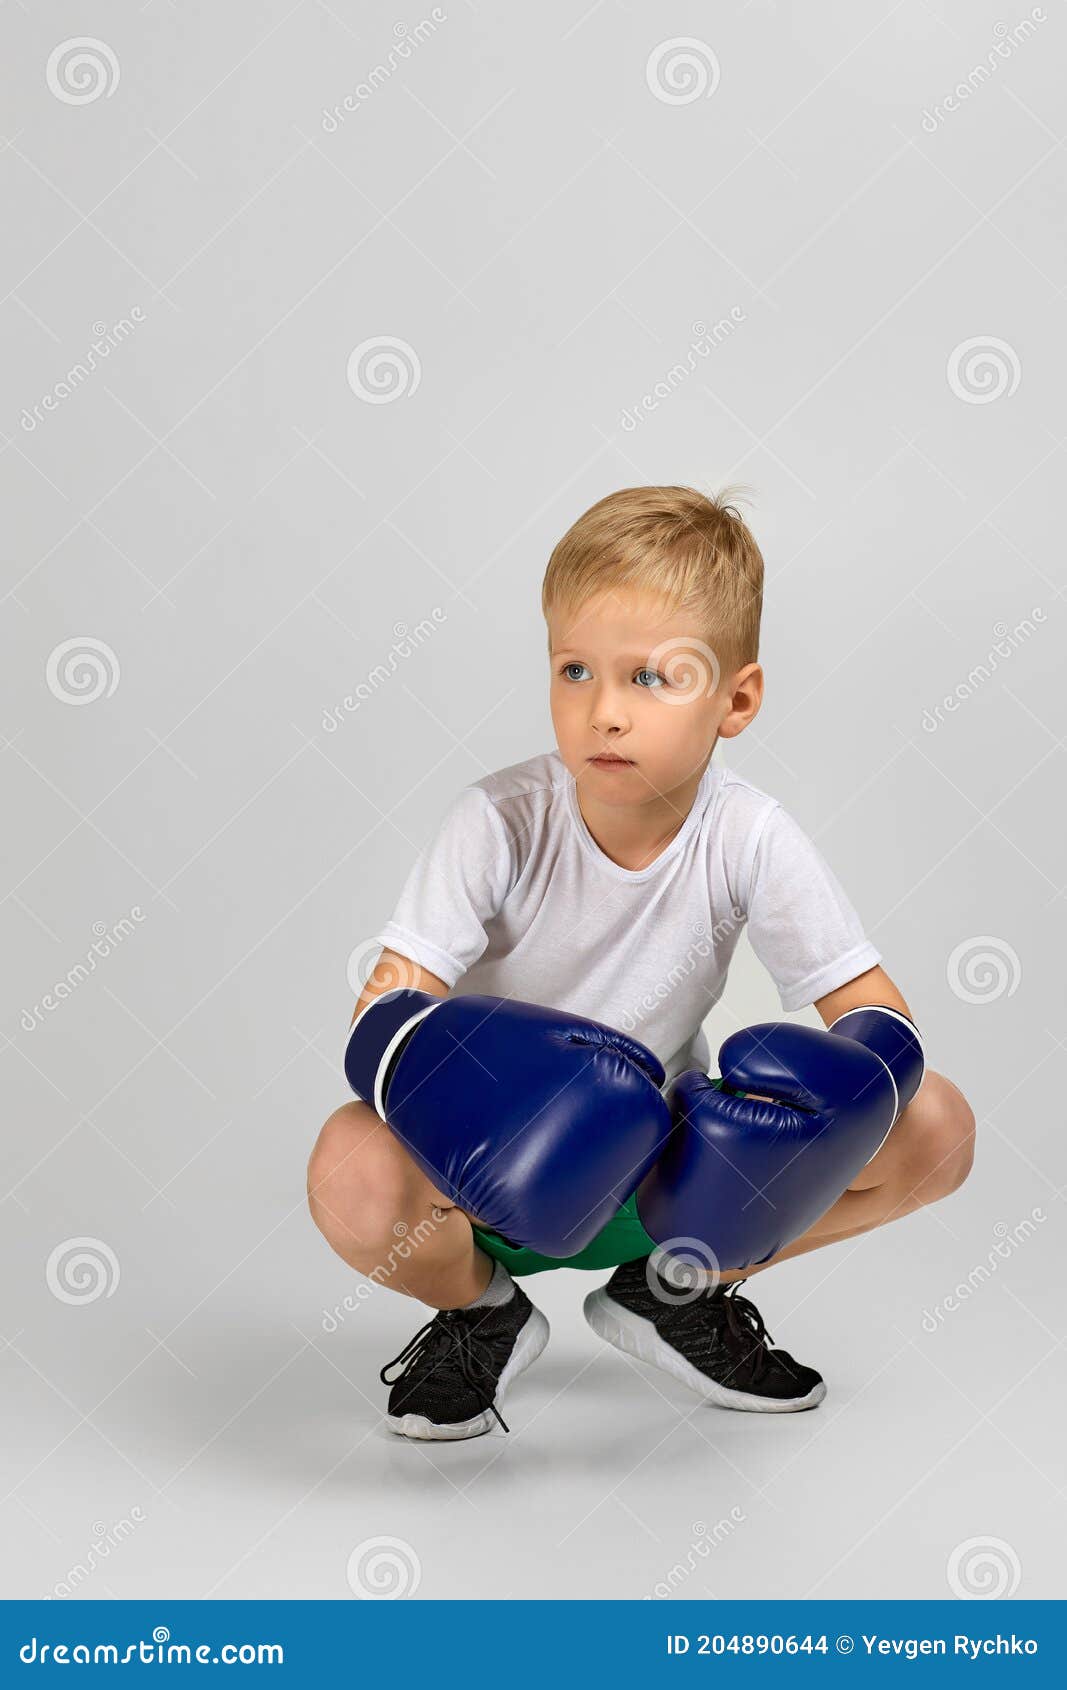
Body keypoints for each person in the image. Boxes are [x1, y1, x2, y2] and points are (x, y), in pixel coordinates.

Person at [307, 484, 976, 1441]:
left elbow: (880, 1018)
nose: (604, 712)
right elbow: (384, 1017)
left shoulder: (748, 835)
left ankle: (676, 1290)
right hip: (481, 1175)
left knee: (938, 1126)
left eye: (651, 677)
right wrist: (494, 1098)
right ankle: (478, 1313)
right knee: (346, 1164)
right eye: (574, 669)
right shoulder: (496, 820)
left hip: (669, 1187)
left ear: (735, 698)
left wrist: (810, 1118)